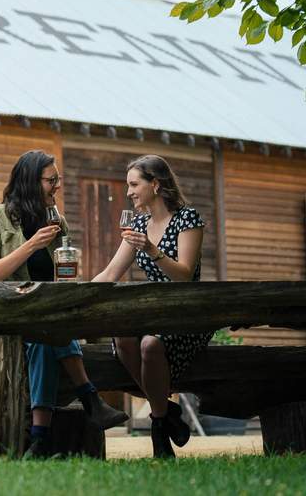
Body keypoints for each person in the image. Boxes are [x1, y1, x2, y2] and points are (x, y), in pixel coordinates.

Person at [0, 149, 128, 459]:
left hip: (48, 319)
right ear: (31, 182)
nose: (57, 186)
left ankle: (40, 439)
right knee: (45, 333)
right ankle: (90, 399)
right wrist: (32, 245)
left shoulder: (58, 223)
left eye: (57, 180)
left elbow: (64, 277)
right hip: (10, 312)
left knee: (45, 339)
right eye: (51, 180)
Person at [91, 154, 207, 459]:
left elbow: (183, 275)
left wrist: (152, 250)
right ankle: (166, 409)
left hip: (187, 315)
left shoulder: (187, 219)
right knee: (124, 337)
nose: (128, 191)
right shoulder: (138, 224)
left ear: (155, 184)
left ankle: (158, 431)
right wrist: (78, 292)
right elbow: (110, 274)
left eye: (134, 184)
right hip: (154, 312)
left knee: (151, 346)